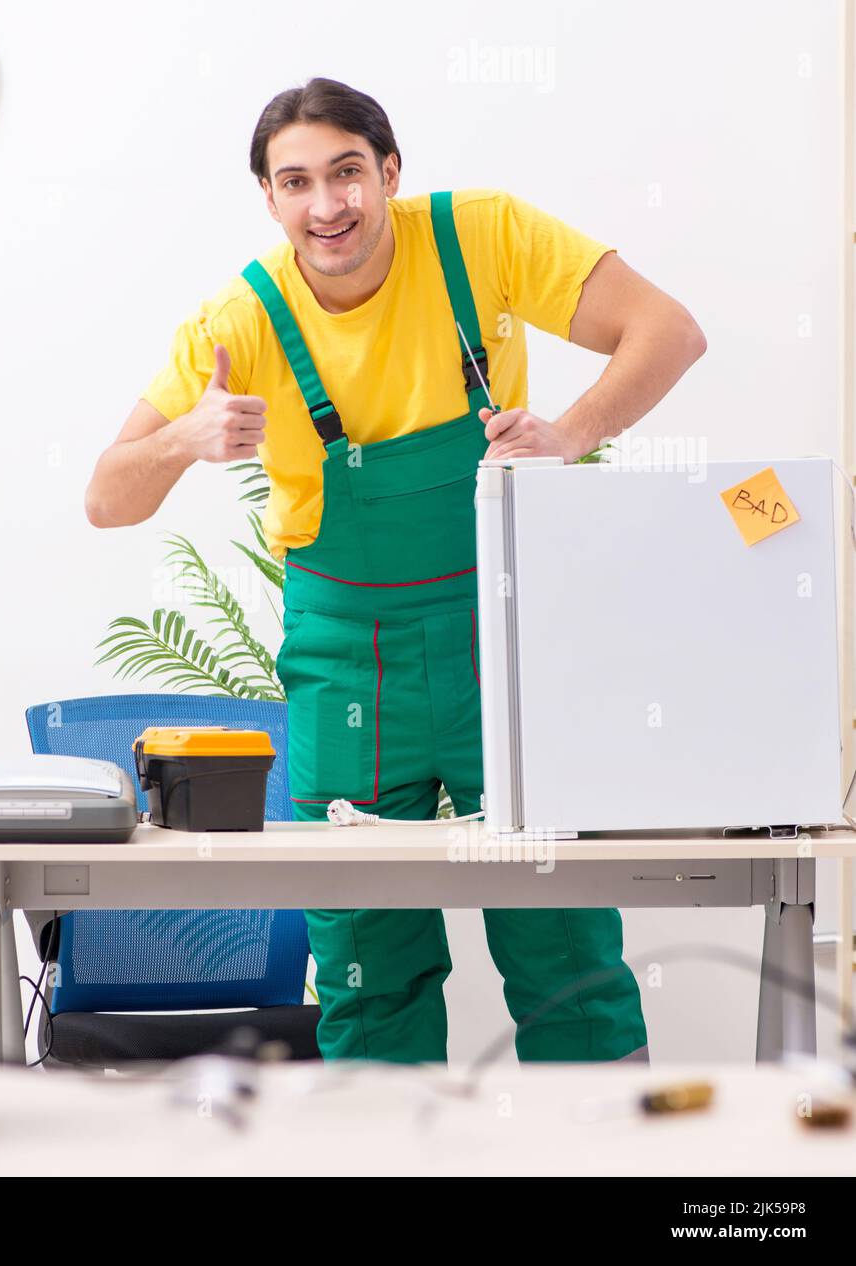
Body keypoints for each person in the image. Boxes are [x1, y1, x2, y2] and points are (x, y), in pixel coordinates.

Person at [85, 77, 706, 1063]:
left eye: (345, 173)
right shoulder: (240, 320)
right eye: (297, 182)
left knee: (562, 936)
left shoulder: (480, 237)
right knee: (367, 950)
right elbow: (104, 497)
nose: (326, 205)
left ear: (388, 173)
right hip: (344, 661)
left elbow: (670, 331)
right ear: (269, 198)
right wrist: (183, 442)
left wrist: (569, 434)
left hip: (505, 632)